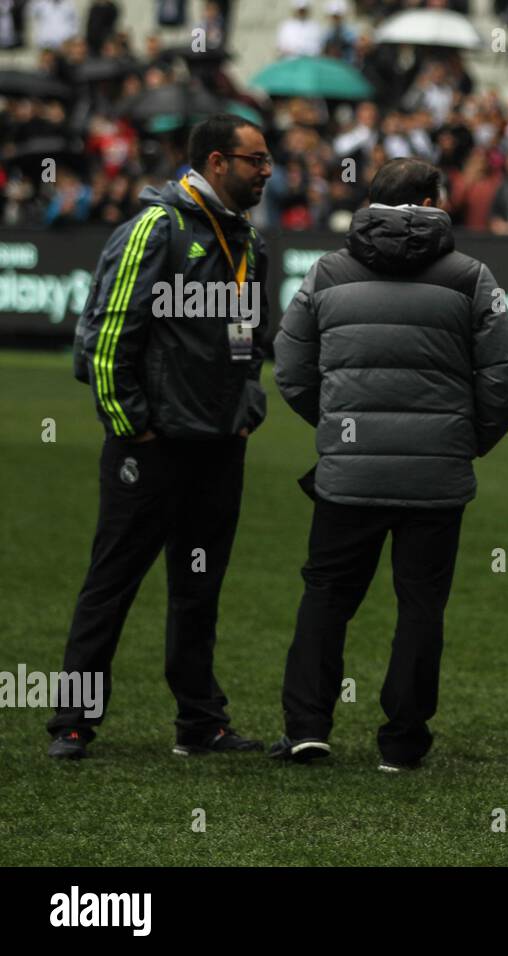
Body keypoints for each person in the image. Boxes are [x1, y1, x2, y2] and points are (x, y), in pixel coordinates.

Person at [271, 157, 508, 770]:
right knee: (420, 605)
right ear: (435, 199)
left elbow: (290, 368)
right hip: (435, 476)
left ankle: (308, 726)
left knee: (327, 596)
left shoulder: (326, 272)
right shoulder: (471, 276)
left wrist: (340, 429)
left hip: (348, 472)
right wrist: (466, 440)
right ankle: (402, 742)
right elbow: (506, 377)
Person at [49, 114, 273, 759]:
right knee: (112, 583)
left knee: (199, 588)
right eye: (254, 160)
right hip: (150, 450)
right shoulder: (154, 227)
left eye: (268, 161)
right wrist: (133, 426)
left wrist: (247, 402)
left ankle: (200, 723)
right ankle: (72, 721)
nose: (266, 172)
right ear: (216, 161)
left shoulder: (248, 241)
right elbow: (105, 334)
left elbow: (245, 336)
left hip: (219, 444)